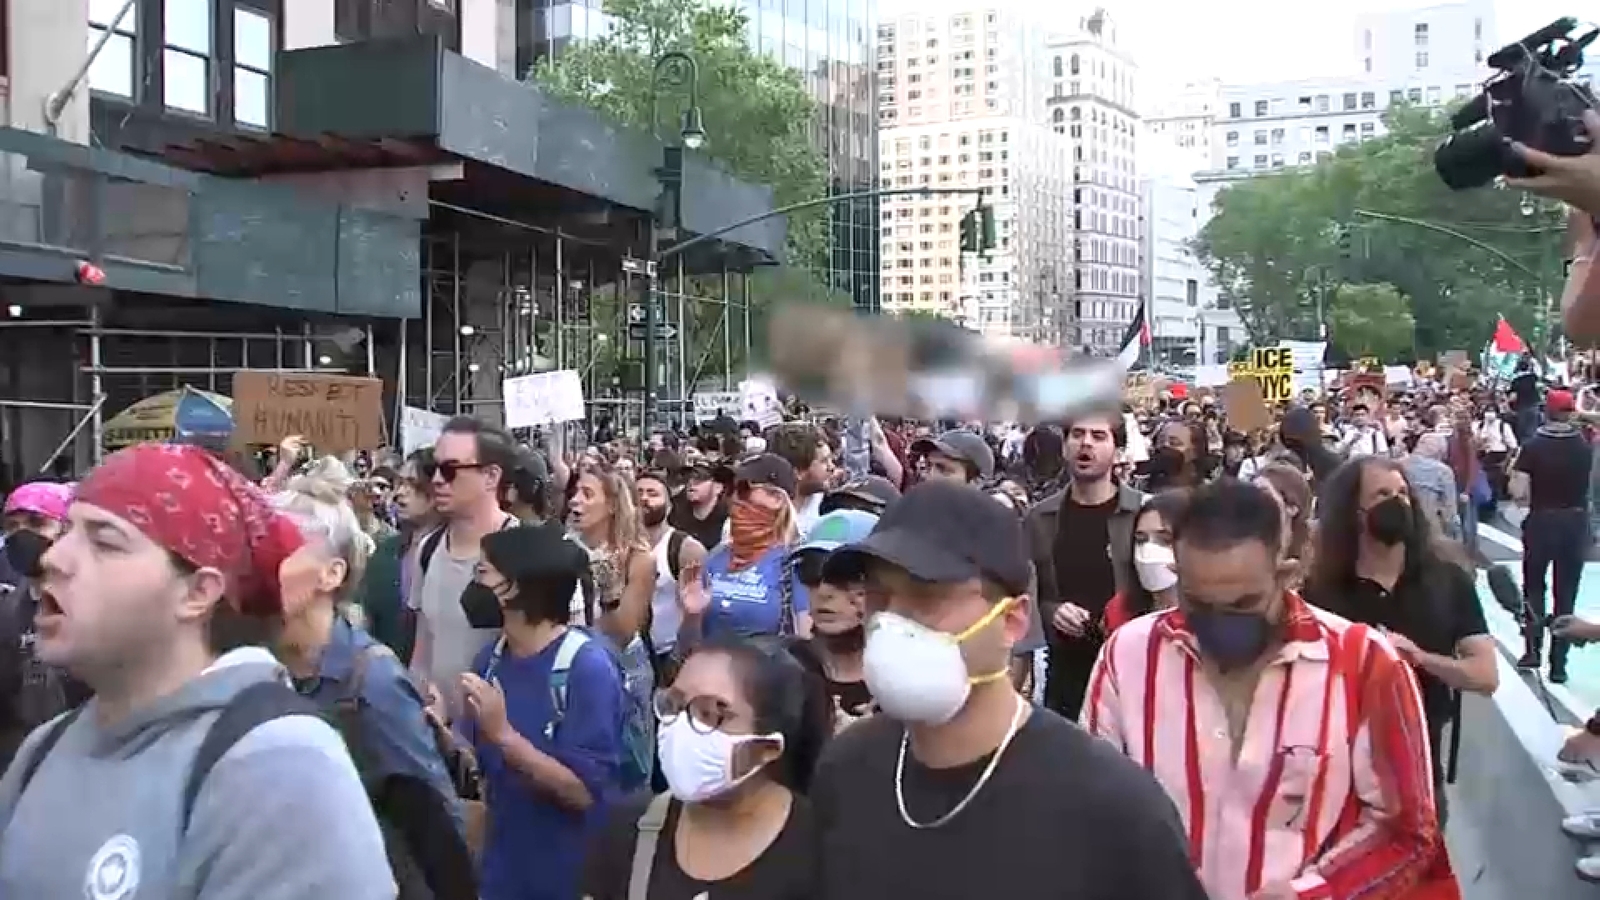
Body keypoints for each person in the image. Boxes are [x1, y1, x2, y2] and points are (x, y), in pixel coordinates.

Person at [0, 443, 393, 899]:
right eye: (66, 531)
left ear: (198, 592)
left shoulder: (278, 766)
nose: (52, 558)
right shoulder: (44, 748)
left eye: (105, 541)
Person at [809, 480, 1206, 900]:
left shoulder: (1112, 806)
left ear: (1013, 621)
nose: (893, 622)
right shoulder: (846, 769)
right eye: (879, 597)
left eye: (927, 597)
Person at [1083, 478, 1451, 900]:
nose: (1220, 621)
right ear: (1177, 576)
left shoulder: (1366, 665)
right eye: (1199, 604)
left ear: (1286, 575)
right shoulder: (1128, 656)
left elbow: (1407, 832)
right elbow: (1092, 812)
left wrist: (1315, 894)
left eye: (1243, 604)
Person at [580, 635, 825, 900]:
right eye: (674, 705)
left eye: (712, 714)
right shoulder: (629, 828)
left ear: (767, 748)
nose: (682, 728)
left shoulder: (820, 848)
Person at [460, 523, 628, 900]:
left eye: (483, 572)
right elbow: (484, 768)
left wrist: (505, 736)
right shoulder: (490, 660)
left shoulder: (587, 669)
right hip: (504, 871)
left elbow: (585, 794)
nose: (474, 583)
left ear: (514, 586)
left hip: (568, 876)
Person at [1024, 413, 1144, 719]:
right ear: (1064, 447)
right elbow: (1027, 594)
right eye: (1077, 434)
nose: (1085, 443)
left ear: (1117, 451)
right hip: (1064, 673)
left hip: (1131, 671)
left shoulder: (1143, 514)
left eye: (1098, 436)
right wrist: (1053, 612)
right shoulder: (1039, 519)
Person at [410, 418, 520, 722]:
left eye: (450, 470)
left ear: (491, 476)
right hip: (439, 738)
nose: (437, 480)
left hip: (503, 747)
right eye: (433, 468)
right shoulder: (427, 549)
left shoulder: (523, 554)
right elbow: (423, 648)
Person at [0, 481, 89, 770]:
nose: (21, 534)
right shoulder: (10, 609)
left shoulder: (96, 604)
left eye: (37, 522)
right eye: (11, 525)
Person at [1510, 387, 1594, 680]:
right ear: (1571, 412)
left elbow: (1518, 492)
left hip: (1542, 521)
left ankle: (1532, 650)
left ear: (1546, 410)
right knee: (1566, 593)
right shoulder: (1585, 447)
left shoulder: (1532, 446)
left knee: (1534, 587)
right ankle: (1559, 664)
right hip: (1574, 522)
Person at [685, 455, 810, 642]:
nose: (734, 498)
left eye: (743, 489)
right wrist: (692, 616)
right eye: (731, 490)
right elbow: (687, 645)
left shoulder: (795, 563)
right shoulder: (716, 556)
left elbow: (806, 643)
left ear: (777, 498)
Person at [789, 510, 878, 725]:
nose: (824, 591)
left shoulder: (909, 688)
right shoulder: (784, 671)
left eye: (845, 574)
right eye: (810, 570)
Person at [1101, 489, 1189, 633]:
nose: (1149, 549)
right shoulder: (1120, 609)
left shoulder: (1214, 616)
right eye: (1141, 540)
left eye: (1165, 540)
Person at [766, 423, 836, 534]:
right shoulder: (767, 521)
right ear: (797, 472)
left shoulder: (820, 499)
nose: (832, 467)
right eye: (824, 461)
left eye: (830, 460)